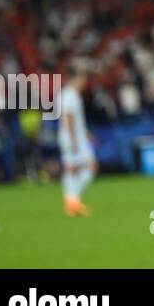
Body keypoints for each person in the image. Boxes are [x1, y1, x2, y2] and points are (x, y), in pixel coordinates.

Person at [59, 65, 97, 217]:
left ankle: (72, 201)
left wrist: (86, 134)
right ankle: (72, 202)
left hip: (78, 138)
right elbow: (67, 118)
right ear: (74, 78)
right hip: (73, 140)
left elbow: (76, 119)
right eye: (82, 79)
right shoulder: (69, 95)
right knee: (80, 168)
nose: (84, 82)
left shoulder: (72, 94)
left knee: (79, 169)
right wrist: (73, 139)